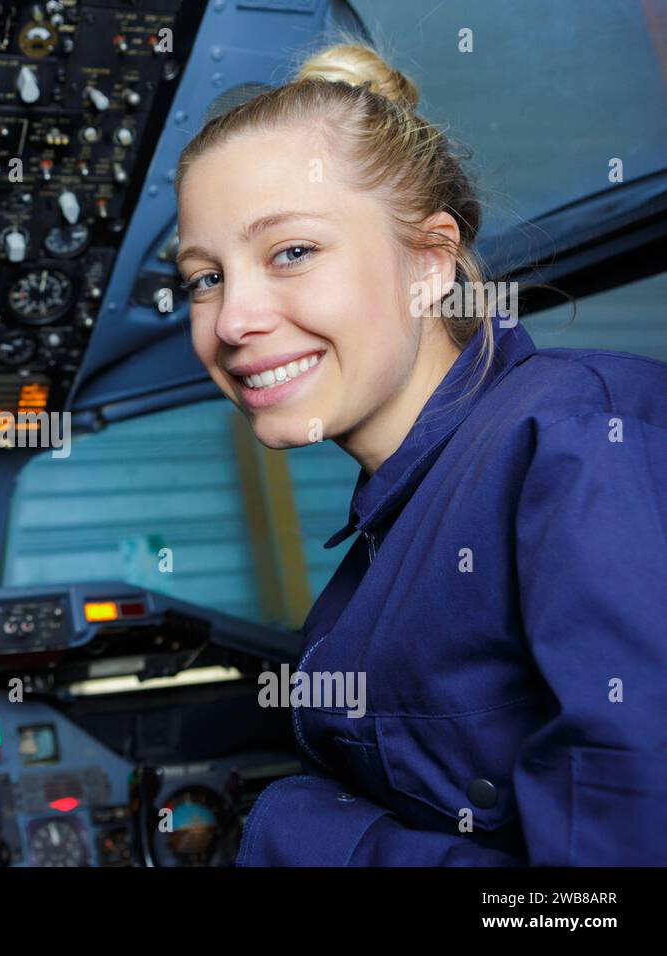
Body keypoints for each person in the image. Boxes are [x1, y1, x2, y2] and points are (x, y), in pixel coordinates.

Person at [175, 43, 667, 865]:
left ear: (430, 263)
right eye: (203, 278)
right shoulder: (396, 521)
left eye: (291, 252)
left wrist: (306, 834)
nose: (231, 321)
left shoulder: (579, 440)